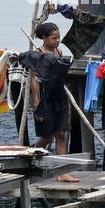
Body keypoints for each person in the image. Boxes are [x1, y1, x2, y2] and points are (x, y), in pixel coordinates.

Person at [16, 21, 78, 182]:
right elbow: (34, 80)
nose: (57, 41)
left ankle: (62, 173)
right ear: (44, 38)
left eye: (58, 37)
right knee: (47, 136)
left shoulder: (59, 51)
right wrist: (36, 102)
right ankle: (29, 156)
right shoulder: (38, 54)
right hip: (45, 98)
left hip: (60, 97)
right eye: (53, 38)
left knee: (62, 134)